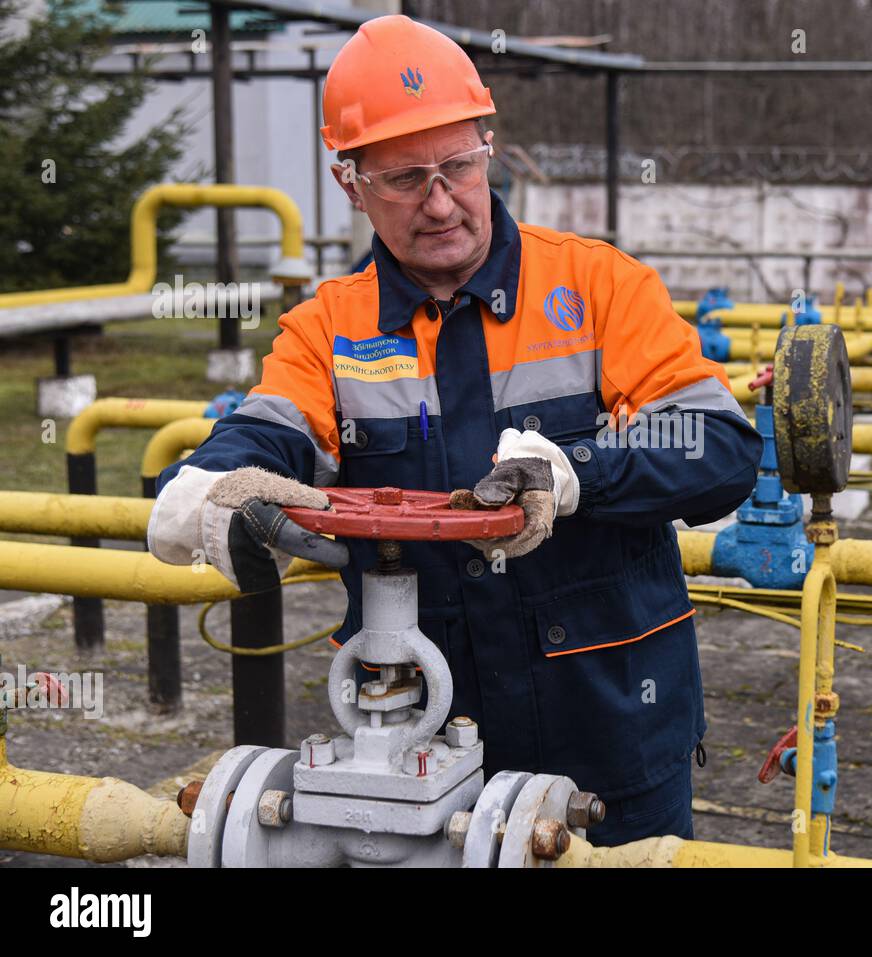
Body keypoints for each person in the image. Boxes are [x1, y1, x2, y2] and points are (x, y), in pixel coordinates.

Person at [146, 14, 762, 846]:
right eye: (402, 179)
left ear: (487, 146)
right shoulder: (331, 328)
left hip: (615, 730)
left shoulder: (596, 284)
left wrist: (575, 472)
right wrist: (210, 485)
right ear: (349, 182)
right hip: (419, 754)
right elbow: (268, 429)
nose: (439, 203)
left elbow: (718, 447)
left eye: (457, 167)